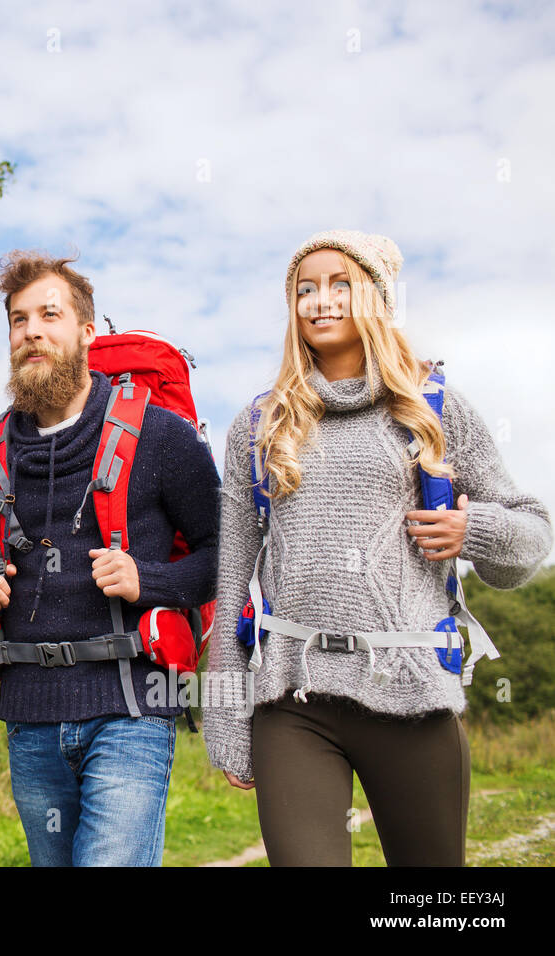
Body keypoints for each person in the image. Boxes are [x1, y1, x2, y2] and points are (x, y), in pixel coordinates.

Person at [203, 229, 553, 866]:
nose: (320, 300)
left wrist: (472, 533)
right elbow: (233, 583)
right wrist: (226, 710)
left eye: (342, 284)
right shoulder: (259, 425)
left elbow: (533, 536)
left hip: (414, 696)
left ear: (379, 300)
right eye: (305, 289)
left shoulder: (434, 409)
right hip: (294, 699)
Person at [0, 252, 221, 866]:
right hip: (28, 718)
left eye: (50, 314)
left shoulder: (162, 438)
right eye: (18, 320)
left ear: (86, 331)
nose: (32, 331)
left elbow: (226, 556)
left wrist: (148, 578)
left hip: (131, 709)